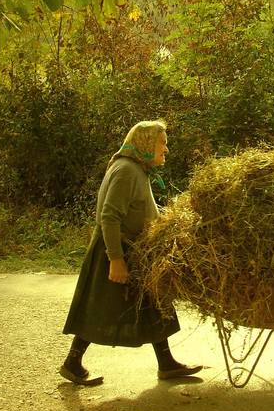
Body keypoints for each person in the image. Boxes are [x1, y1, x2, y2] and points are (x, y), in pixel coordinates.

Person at [59, 119, 202, 386]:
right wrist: (116, 260)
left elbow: (139, 208)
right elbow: (109, 217)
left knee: (154, 304)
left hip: (134, 251)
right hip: (114, 251)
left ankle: (167, 364)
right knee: (100, 308)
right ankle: (72, 362)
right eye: (163, 143)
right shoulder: (126, 171)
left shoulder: (137, 169)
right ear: (146, 143)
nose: (166, 149)